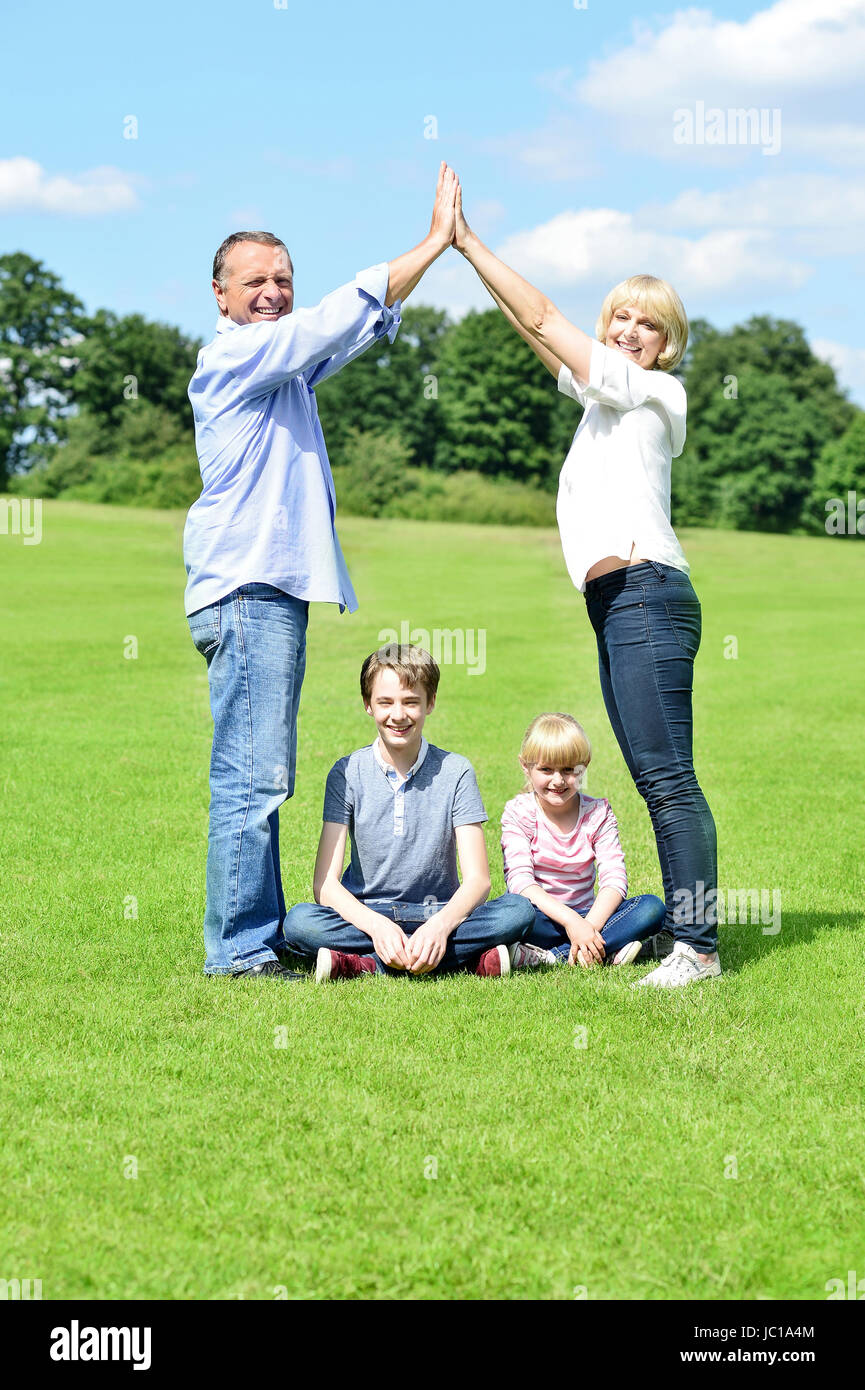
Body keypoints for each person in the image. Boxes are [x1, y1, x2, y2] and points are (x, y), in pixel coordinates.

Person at [185, 165, 460, 982]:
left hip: (267, 593)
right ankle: (237, 950)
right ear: (220, 294)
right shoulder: (232, 358)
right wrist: (432, 243)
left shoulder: (281, 369)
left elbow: (345, 334)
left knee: (262, 773)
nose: (272, 292)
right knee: (253, 777)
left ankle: (258, 939)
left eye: (283, 280)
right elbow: (332, 320)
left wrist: (412, 282)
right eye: (254, 281)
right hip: (246, 590)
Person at [450, 168, 720, 989]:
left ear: (667, 344)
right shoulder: (604, 399)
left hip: (648, 594)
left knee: (668, 777)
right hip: (617, 602)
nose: (632, 331)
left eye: (649, 323)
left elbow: (544, 316)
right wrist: (471, 269)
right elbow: (537, 336)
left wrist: (466, 241)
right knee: (652, 773)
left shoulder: (653, 394)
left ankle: (699, 948)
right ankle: (678, 935)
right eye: (621, 319)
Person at [282, 645, 535, 981]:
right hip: (367, 914)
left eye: (410, 702)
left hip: (439, 912)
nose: (397, 715)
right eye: (385, 702)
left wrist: (440, 927)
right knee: (299, 922)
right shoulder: (347, 772)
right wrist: (376, 926)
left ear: (429, 703)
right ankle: (459, 958)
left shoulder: (456, 771)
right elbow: (325, 886)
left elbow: (479, 880)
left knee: (517, 912)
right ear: (368, 705)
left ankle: (368, 964)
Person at [501, 713, 666, 969]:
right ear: (526, 766)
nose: (558, 780)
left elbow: (614, 879)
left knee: (651, 908)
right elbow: (521, 882)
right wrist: (571, 923)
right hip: (540, 918)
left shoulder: (598, 813)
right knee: (510, 913)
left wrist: (587, 926)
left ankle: (553, 956)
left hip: (591, 916)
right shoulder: (518, 812)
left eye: (568, 770)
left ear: (584, 766)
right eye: (546, 769)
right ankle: (607, 949)